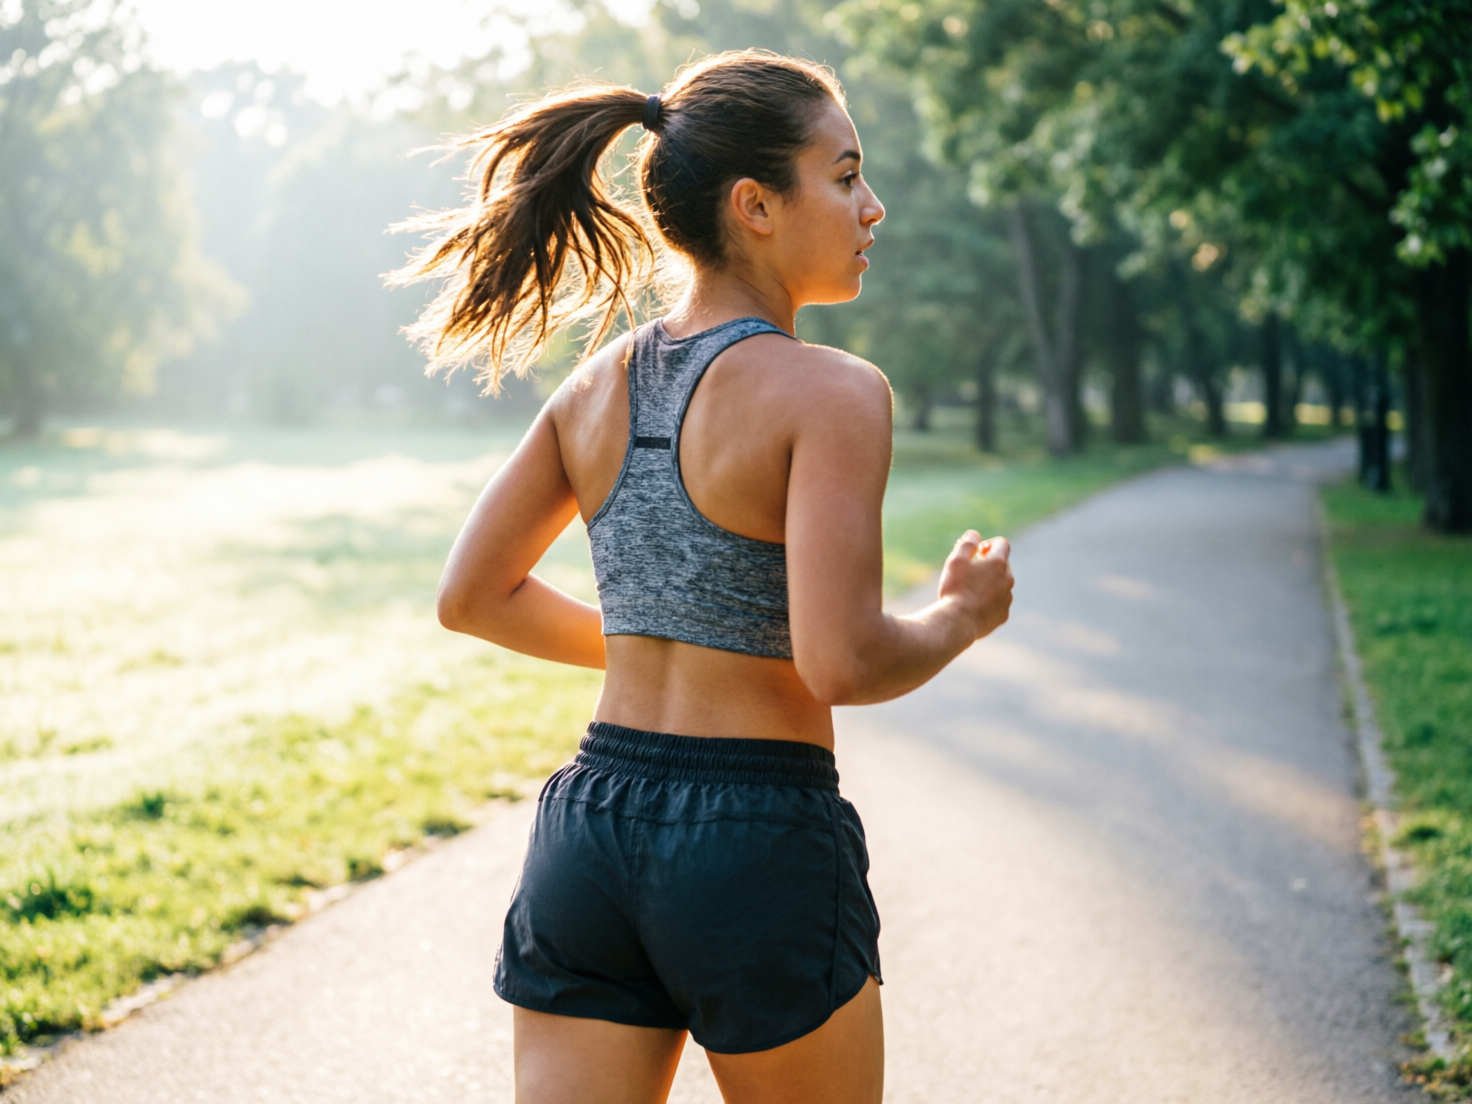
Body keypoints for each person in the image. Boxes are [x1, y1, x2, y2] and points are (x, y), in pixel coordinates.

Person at [403, 48, 1014, 1104]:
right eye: (843, 174)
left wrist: (659, 631)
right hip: (757, 840)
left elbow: (473, 596)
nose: (872, 207)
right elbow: (841, 661)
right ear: (754, 206)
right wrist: (958, 617)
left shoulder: (594, 387)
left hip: (589, 833)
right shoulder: (830, 393)